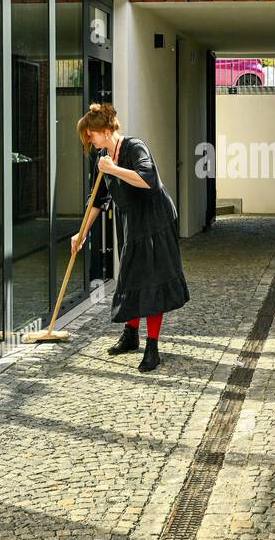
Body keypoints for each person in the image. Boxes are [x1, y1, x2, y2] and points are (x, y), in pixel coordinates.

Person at [71, 103, 190, 372]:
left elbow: (150, 180)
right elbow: (97, 199)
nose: (89, 141)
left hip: (155, 220)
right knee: (130, 275)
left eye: (90, 135)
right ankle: (131, 334)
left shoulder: (135, 147)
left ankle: (152, 347)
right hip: (130, 221)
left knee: (152, 280)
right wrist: (82, 232)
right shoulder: (102, 157)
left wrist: (112, 169)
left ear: (104, 130)